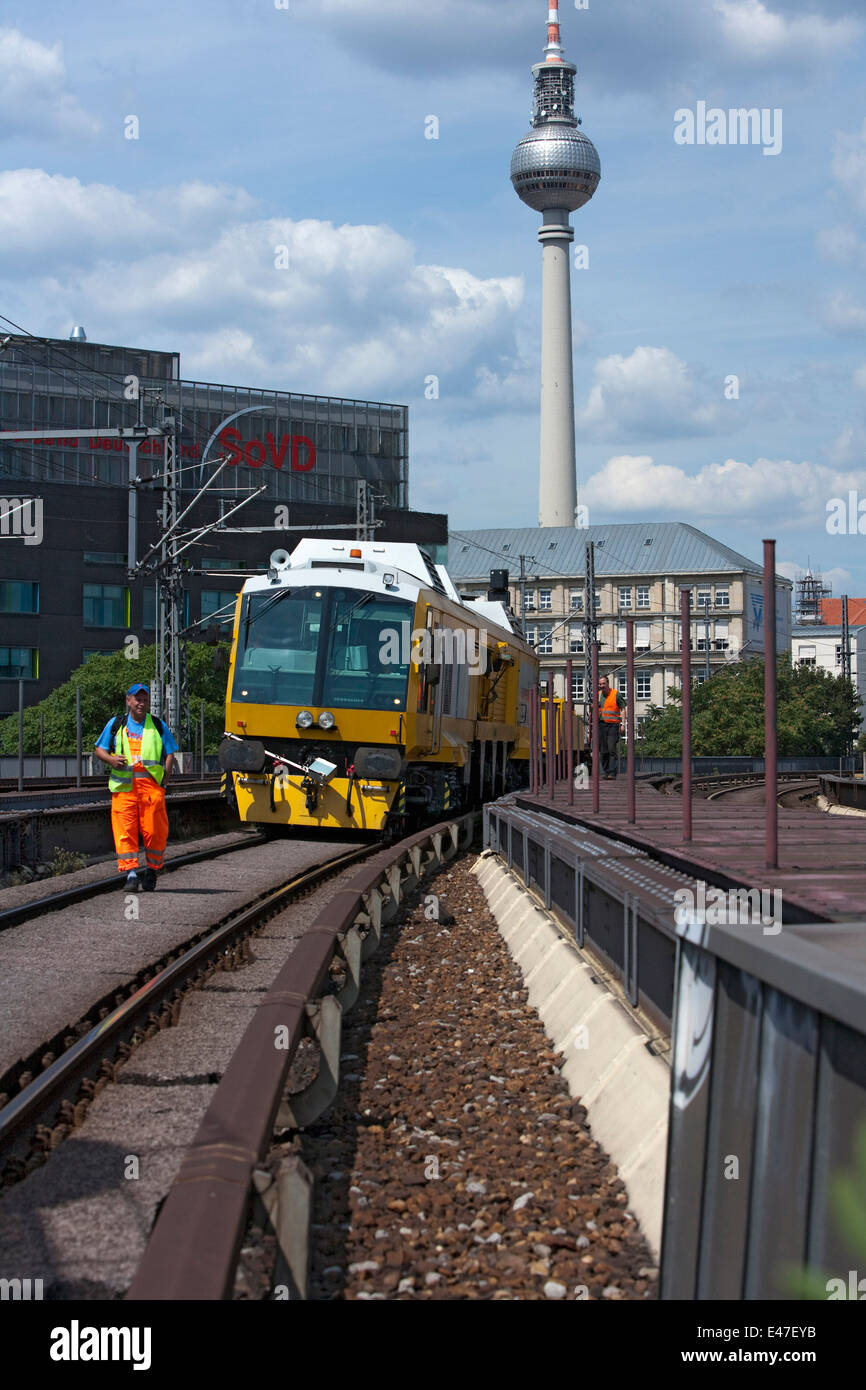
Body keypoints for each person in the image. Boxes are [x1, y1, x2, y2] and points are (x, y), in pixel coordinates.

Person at [93, 683, 178, 891]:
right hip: (124, 790)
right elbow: (99, 750)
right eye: (137, 699)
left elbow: (170, 753)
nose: (141, 703)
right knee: (125, 831)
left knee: (154, 831)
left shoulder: (157, 725)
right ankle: (131, 875)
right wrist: (111, 760)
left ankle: (151, 870)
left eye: (144, 699)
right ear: (128, 700)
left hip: (151, 790)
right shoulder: (116, 724)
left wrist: (165, 780)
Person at [598, 675, 626, 780]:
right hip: (602, 725)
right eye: (600, 684)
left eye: (603, 684)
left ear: (608, 684)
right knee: (603, 751)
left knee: (611, 749)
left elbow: (623, 708)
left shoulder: (616, 694)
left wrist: (623, 724)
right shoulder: (598, 695)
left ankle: (612, 772)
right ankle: (606, 771)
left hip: (613, 725)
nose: (602, 686)